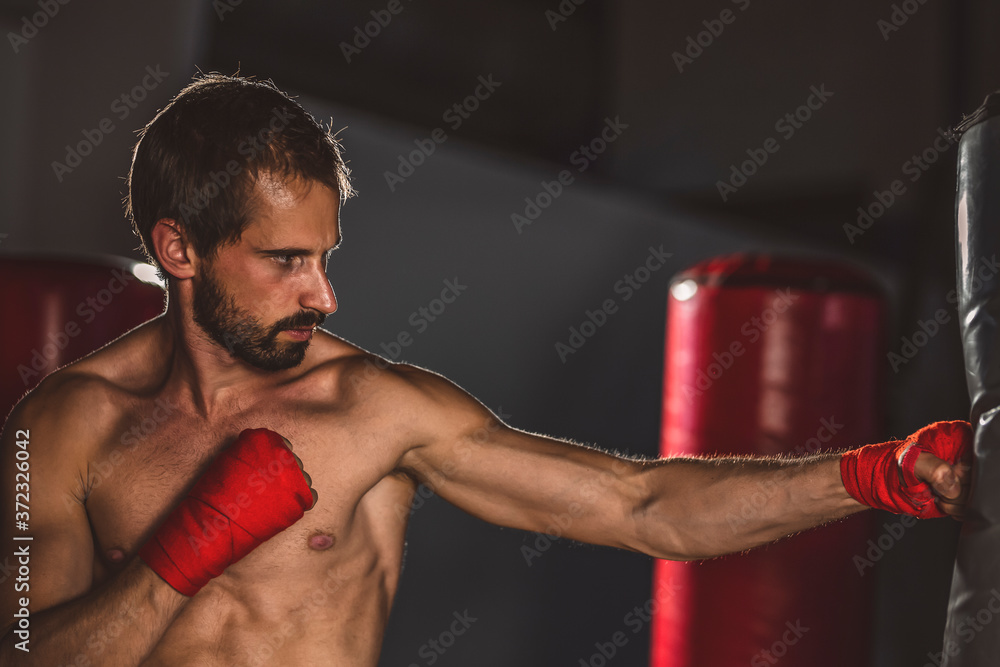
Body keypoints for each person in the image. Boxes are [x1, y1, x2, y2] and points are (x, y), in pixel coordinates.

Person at [0, 74, 972, 666]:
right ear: (178, 249)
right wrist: (180, 557)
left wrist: (872, 473)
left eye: (323, 256)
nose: (323, 295)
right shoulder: (65, 426)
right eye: (283, 261)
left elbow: (640, 507)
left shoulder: (373, 411)